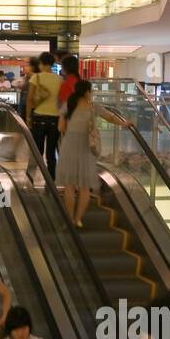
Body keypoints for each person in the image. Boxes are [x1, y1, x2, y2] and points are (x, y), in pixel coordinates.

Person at [56, 80, 129, 228]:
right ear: (87, 92)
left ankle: (69, 219)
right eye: (91, 90)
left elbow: (60, 127)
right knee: (84, 187)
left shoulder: (68, 106)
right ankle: (77, 219)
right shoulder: (93, 107)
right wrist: (125, 123)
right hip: (86, 147)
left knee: (69, 186)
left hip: (69, 146)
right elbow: (110, 117)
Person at [26, 51, 62, 178]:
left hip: (38, 117)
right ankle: (51, 181)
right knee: (51, 152)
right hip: (55, 119)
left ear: (41, 63)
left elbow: (30, 99)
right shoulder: (60, 79)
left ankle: (30, 179)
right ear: (52, 64)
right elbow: (60, 101)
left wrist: (28, 117)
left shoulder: (36, 77)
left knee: (36, 151)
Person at [18, 55, 39, 122]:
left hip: (29, 105)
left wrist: (28, 117)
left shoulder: (33, 77)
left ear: (33, 66)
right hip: (28, 104)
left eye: (28, 65)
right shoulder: (30, 76)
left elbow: (30, 95)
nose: (26, 67)